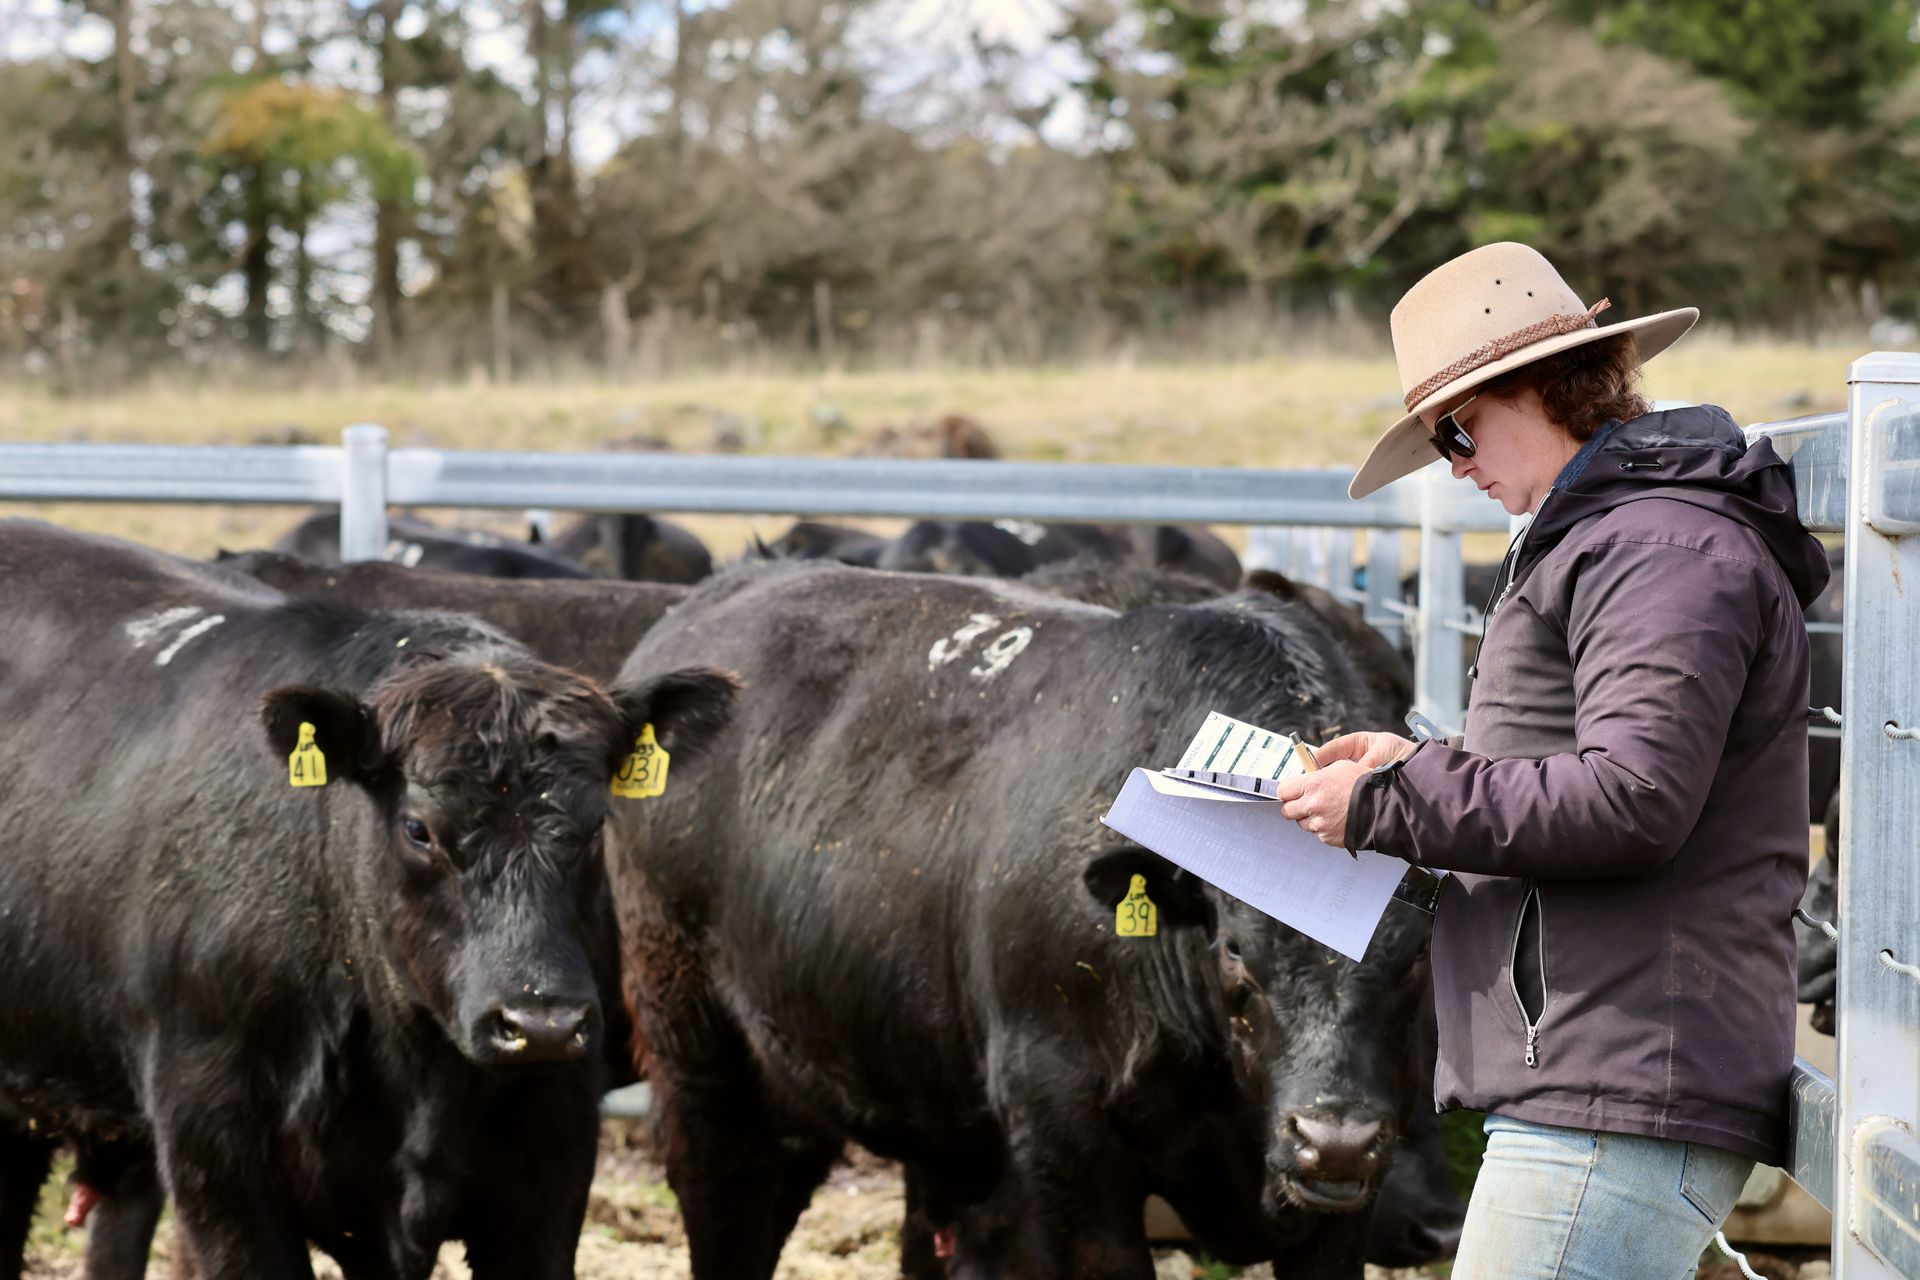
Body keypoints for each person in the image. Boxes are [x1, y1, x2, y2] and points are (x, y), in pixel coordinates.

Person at [1275, 242, 1830, 1278]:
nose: (1455, 464)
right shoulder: (1624, 536)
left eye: (1455, 428)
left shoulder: (1657, 546)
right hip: (1597, 1067)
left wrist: (1393, 798)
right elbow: (1594, 763)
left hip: (1616, 1081)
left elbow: (1631, 797)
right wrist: (1411, 763)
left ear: (1536, 384)